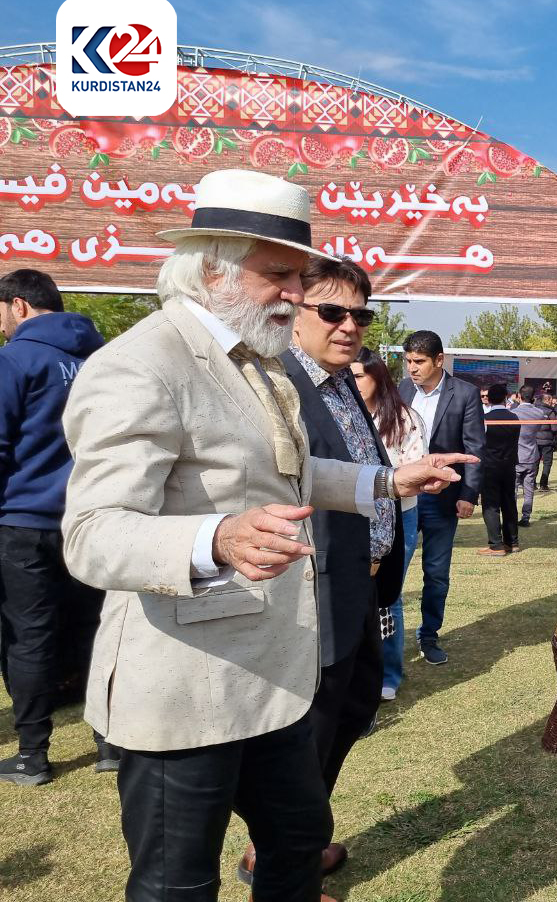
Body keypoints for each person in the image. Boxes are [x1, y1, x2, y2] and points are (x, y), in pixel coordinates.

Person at [59, 168, 473, 902]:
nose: (296, 293)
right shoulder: (140, 365)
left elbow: (287, 471)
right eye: (278, 274)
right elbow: (93, 535)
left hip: (271, 679)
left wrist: (385, 483)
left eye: (301, 275)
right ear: (210, 270)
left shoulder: (263, 362)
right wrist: (215, 539)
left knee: (299, 843)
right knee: (175, 884)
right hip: (183, 685)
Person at [253, 255, 405, 886]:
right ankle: (282, 858)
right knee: (310, 729)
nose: (349, 327)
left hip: (359, 583)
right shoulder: (279, 383)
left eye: (360, 315)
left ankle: (298, 840)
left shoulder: (342, 380)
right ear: (294, 315)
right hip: (314, 587)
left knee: (356, 704)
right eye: (333, 312)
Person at [0, 269, 111, 786]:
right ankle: (110, 743)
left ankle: (32, 755)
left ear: (18, 306)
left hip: (24, 522)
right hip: (95, 516)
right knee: (98, 628)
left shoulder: (15, 359)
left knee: (30, 635)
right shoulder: (103, 357)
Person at [398, 330, 485, 666]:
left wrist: (468, 494)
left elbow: (475, 448)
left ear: (439, 360)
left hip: (442, 498)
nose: (412, 368)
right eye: (408, 361)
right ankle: (389, 637)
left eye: (418, 361)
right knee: (396, 568)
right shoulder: (402, 390)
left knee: (436, 571)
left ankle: (429, 635)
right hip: (403, 493)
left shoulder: (464, 394)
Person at [351, 348, 425, 702]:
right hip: (348, 514)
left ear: (377, 377)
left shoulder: (404, 419)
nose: (350, 383)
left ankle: (389, 672)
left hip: (398, 514)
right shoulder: (340, 414)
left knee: (387, 594)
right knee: (352, 593)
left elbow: (417, 467)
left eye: (357, 376)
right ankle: (355, 668)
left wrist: (386, 484)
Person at [477, 384, 520, 556]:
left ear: (488, 398)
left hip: (490, 467)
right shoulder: (515, 418)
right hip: (509, 466)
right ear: (505, 397)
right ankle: (512, 542)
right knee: (509, 503)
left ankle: (496, 545)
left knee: (491, 505)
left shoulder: (485, 419)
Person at [512, 384, 547, 526]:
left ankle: (512, 516)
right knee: (528, 487)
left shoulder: (513, 413)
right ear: (533, 398)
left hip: (517, 455)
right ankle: (526, 517)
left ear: (519, 396)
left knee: (512, 489)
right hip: (532, 455)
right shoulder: (538, 413)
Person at [535, 392, 557, 491]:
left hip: (535, 440)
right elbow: (554, 428)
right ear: (547, 400)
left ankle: (532, 484)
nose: (551, 402)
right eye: (550, 400)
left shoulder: (534, 410)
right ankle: (543, 484)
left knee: (535, 462)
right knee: (547, 463)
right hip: (547, 441)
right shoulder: (550, 412)